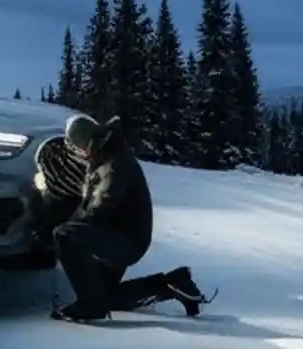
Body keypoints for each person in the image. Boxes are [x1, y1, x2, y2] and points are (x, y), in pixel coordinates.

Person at [51, 114, 211, 322]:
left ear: (86, 142)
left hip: (124, 239)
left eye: (77, 147)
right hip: (123, 235)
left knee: (63, 235)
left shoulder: (114, 163)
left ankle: (89, 306)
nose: (78, 153)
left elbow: (102, 205)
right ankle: (173, 284)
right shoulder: (105, 156)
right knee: (108, 297)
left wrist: (70, 229)